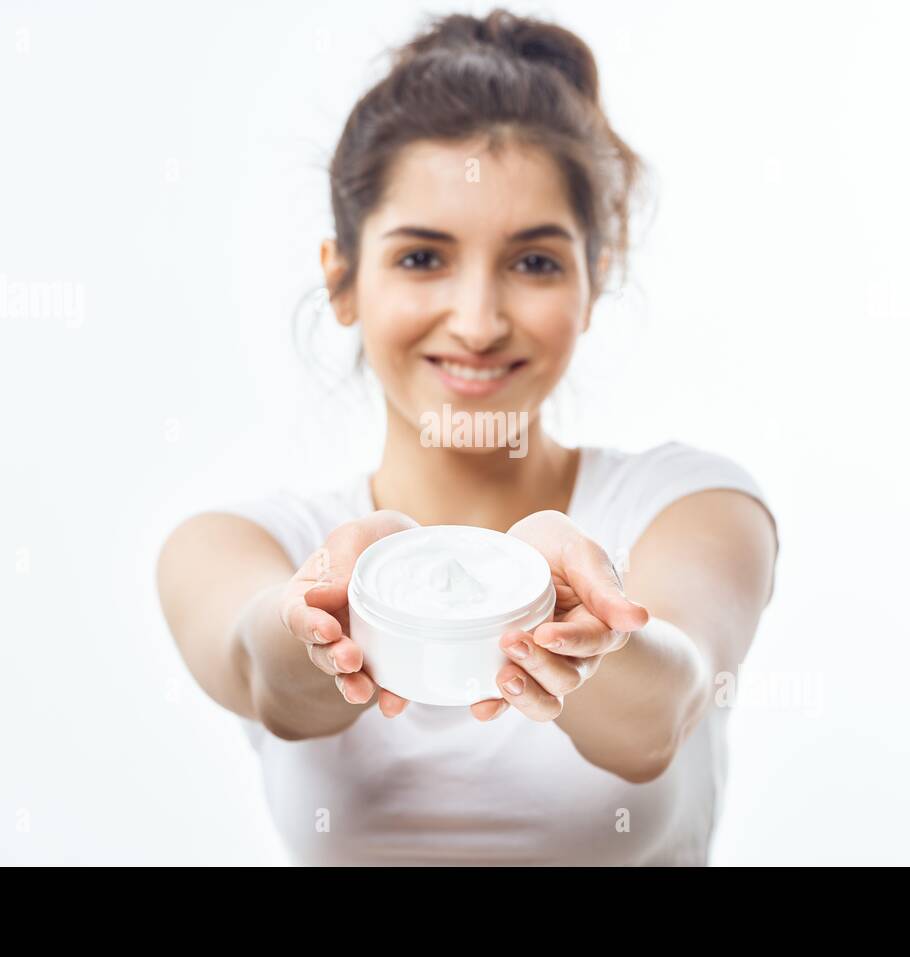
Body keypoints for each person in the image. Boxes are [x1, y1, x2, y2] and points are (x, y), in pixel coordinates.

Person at [157, 8, 779, 866]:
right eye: (422, 258)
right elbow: (269, 678)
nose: (479, 321)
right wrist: (324, 616)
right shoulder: (239, 543)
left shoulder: (693, 507)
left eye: (533, 262)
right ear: (343, 281)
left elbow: (660, 717)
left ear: (593, 282)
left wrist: (585, 628)